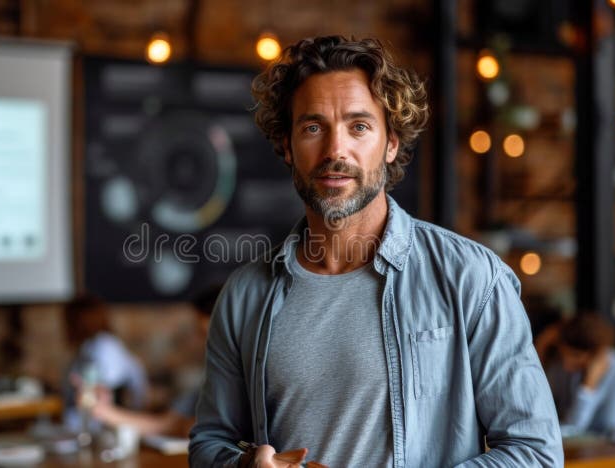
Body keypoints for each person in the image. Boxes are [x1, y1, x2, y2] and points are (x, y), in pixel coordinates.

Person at [188, 36, 563, 467]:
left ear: (391, 144)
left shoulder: (472, 278)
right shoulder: (244, 296)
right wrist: (244, 465)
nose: (335, 151)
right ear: (287, 145)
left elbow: (535, 453)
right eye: (313, 127)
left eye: (359, 126)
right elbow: (208, 444)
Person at [89, 285, 221, 437]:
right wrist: (104, 411)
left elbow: (193, 428)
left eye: (206, 333)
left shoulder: (245, 377)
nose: (202, 341)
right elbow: (168, 423)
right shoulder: (212, 376)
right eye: (201, 333)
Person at [61, 296, 149, 432]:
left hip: (111, 426)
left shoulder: (105, 347)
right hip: (99, 424)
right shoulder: (89, 347)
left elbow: (104, 394)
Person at [539, 312, 615, 439]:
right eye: (564, 355)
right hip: (567, 438)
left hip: (603, 441)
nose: (567, 364)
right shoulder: (561, 362)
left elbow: (577, 425)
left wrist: (588, 384)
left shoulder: (610, 363)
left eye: (576, 356)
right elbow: (543, 406)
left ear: (595, 353)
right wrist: (541, 347)